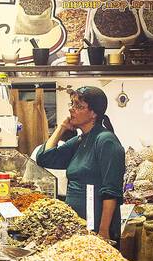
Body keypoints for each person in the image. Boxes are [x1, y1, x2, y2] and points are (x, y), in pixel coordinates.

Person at [33, 86, 125, 241]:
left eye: (79, 106)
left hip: (95, 226)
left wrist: (103, 232)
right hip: (76, 225)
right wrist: (61, 128)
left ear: (94, 113)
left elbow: (111, 192)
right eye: (72, 105)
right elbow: (44, 158)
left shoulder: (105, 141)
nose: (72, 110)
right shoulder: (81, 140)